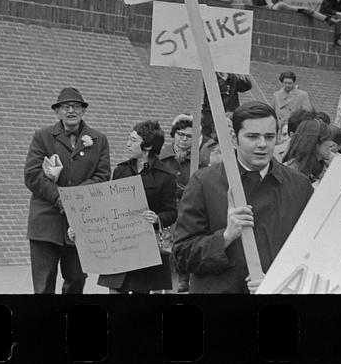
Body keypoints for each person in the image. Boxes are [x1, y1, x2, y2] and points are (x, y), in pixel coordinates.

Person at [172, 102, 313, 294]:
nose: (262, 144)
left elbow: (311, 255)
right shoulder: (204, 182)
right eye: (252, 137)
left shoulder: (299, 186)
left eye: (269, 136)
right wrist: (225, 236)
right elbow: (182, 256)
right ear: (234, 138)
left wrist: (279, 281)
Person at [24, 87, 111, 294]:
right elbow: (32, 175)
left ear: (83, 111)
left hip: (81, 224)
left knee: (76, 280)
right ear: (57, 111)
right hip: (46, 223)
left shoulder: (98, 140)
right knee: (43, 284)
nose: (71, 110)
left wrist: (76, 199)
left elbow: (103, 176)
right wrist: (62, 199)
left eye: (76, 106)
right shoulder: (43, 137)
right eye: (65, 107)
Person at [97, 121, 177, 294]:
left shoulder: (165, 176)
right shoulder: (120, 172)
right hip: (120, 244)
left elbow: (172, 212)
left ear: (147, 146)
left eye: (133, 140)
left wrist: (157, 218)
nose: (128, 144)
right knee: (116, 292)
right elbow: (108, 207)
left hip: (146, 247)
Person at [158, 113, 195, 293]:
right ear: (174, 134)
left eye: (189, 137)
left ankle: (183, 277)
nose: (184, 139)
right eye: (181, 134)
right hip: (165, 209)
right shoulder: (160, 158)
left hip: (187, 210)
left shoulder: (197, 160)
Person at [282, 117, 336, 185]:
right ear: (315, 143)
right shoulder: (288, 172)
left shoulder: (329, 170)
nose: (331, 144)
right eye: (328, 139)